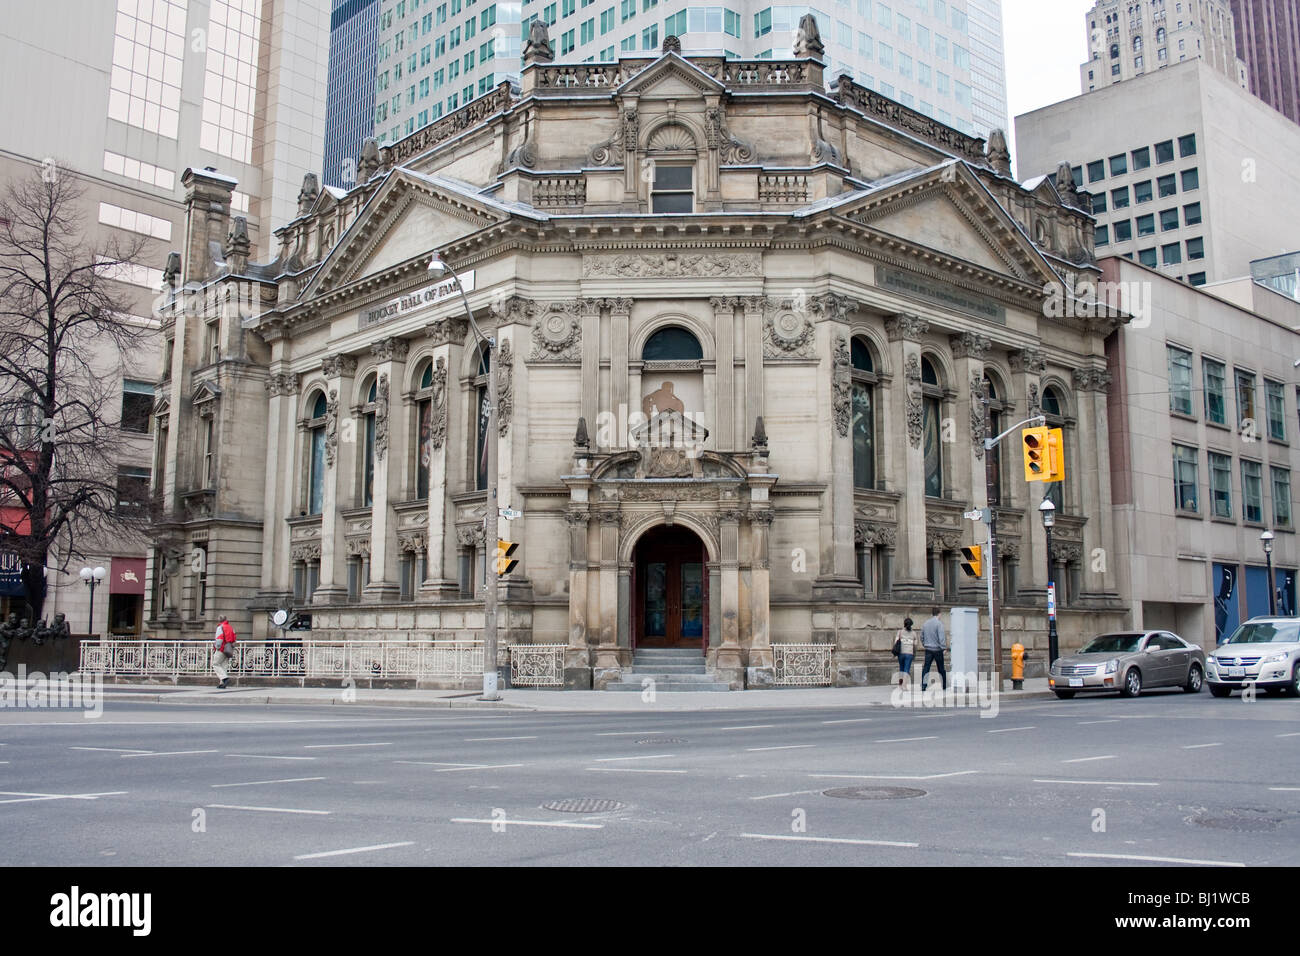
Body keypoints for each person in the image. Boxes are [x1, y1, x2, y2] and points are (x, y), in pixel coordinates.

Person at [920, 606, 947, 691]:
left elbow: (921, 636)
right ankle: (944, 685)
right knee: (941, 668)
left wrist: (925, 644)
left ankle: (924, 685)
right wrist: (944, 648)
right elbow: (941, 637)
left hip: (928, 649)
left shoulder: (926, 623)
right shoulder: (939, 624)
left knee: (926, 668)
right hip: (938, 650)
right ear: (939, 614)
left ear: (932, 614)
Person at [213, 615, 237, 689]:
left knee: (215, 664)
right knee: (224, 665)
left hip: (222, 648)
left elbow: (219, 639)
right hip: (228, 648)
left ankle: (225, 678)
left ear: (219, 620)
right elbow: (234, 639)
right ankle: (222, 683)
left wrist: (217, 647)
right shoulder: (230, 627)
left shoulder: (220, 627)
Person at [895, 617, 916, 688]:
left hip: (901, 653)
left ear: (904, 624)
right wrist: (914, 653)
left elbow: (896, 642)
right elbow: (915, 645)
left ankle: (900, 684)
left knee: (901, 668)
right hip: (909, 653)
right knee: (906, 669)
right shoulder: (913, 633)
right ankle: (904, 685)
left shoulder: (900, 632)